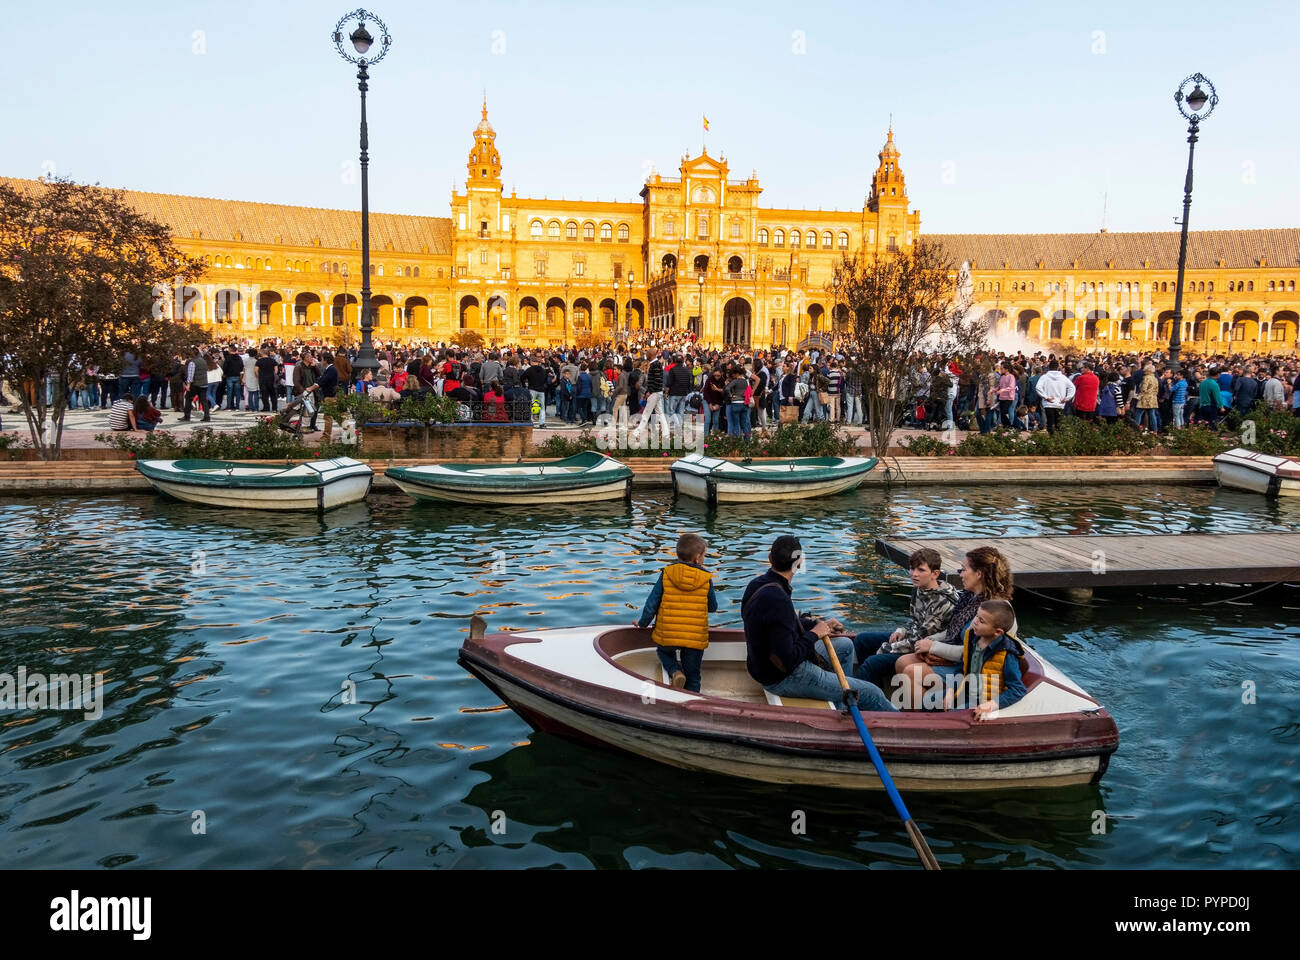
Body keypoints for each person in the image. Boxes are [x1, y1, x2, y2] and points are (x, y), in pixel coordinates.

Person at [740, 535, 897, 712]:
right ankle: (902, 728)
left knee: (845, 645)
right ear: (798, 563)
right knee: (872, 693)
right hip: (783, 677)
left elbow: (778, 624)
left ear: (770, 558)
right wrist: (815, 633)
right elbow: (788, 660)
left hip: (764, 666)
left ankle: (840, 707)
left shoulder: (757, 585)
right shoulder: (778, 599)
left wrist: (817, 624)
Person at [894, 545, 1014, 710]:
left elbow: (971, 653)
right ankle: (920, 710)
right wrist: (929, 640)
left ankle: (924, 718)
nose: (960, 574)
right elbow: (953, 632)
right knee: (902, 662)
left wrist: (933, 646)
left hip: (971, 670)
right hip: (959, 659)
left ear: (979, 574)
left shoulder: (990, 612)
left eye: (964, 569)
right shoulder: (969, 598)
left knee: (910, 672)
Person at [853, 548, 959, 691]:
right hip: (915, 637)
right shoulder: (919, 589)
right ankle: (875, 689)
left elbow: (922, 638)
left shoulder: (942, 601)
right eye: (912, 569)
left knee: (872, 662)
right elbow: (915, 620)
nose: (914, 574)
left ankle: (868, 700)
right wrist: (902, 630)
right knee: (862, 640)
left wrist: (887, 648)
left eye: (921, 570)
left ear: (935, 574)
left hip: (927, 648)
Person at [635, 532, 718, 692]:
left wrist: (642, 623)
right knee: (693, 674)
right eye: (704, 556)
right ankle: (692, 701)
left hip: (668, 633)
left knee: (663, 653)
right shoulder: (706, 578)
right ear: (697, 558)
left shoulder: (666, 573)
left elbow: (652, 603)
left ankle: (675, 671)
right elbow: (712, 607)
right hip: (694, 637)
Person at [944, 599, 1028, 719]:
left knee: (950, 717)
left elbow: (1018, 690)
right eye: (977, 616)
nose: (975, 622)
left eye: (981, 621)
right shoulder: (972, 637)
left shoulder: (1007, 654)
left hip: (981, 701)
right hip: (964, 691)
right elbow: (960, 667)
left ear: (997, 632)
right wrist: (951, 689)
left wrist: (991, 705)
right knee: (929, 701)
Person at [1035, 360, 1075, 434]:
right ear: (1058, 367)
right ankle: (1058, 440)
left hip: (1048, 403)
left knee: (1050, 423)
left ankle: (1051, 437)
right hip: (1060, 403)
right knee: (1058, 423)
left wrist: (1046, 397)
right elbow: (1072, 388)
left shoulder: (1044, 377)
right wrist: (1067, 398)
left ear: (1049, 367)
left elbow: (1038, 387)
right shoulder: (1063, 378)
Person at [178, 346, 211, 422]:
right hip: (204, 383)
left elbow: (190, 375)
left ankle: (187, 416)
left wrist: (188, 384)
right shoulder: (203, 361)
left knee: (188, 398)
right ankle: (207, 416)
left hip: (195, 384)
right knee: (203, 401)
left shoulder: (192, 362)